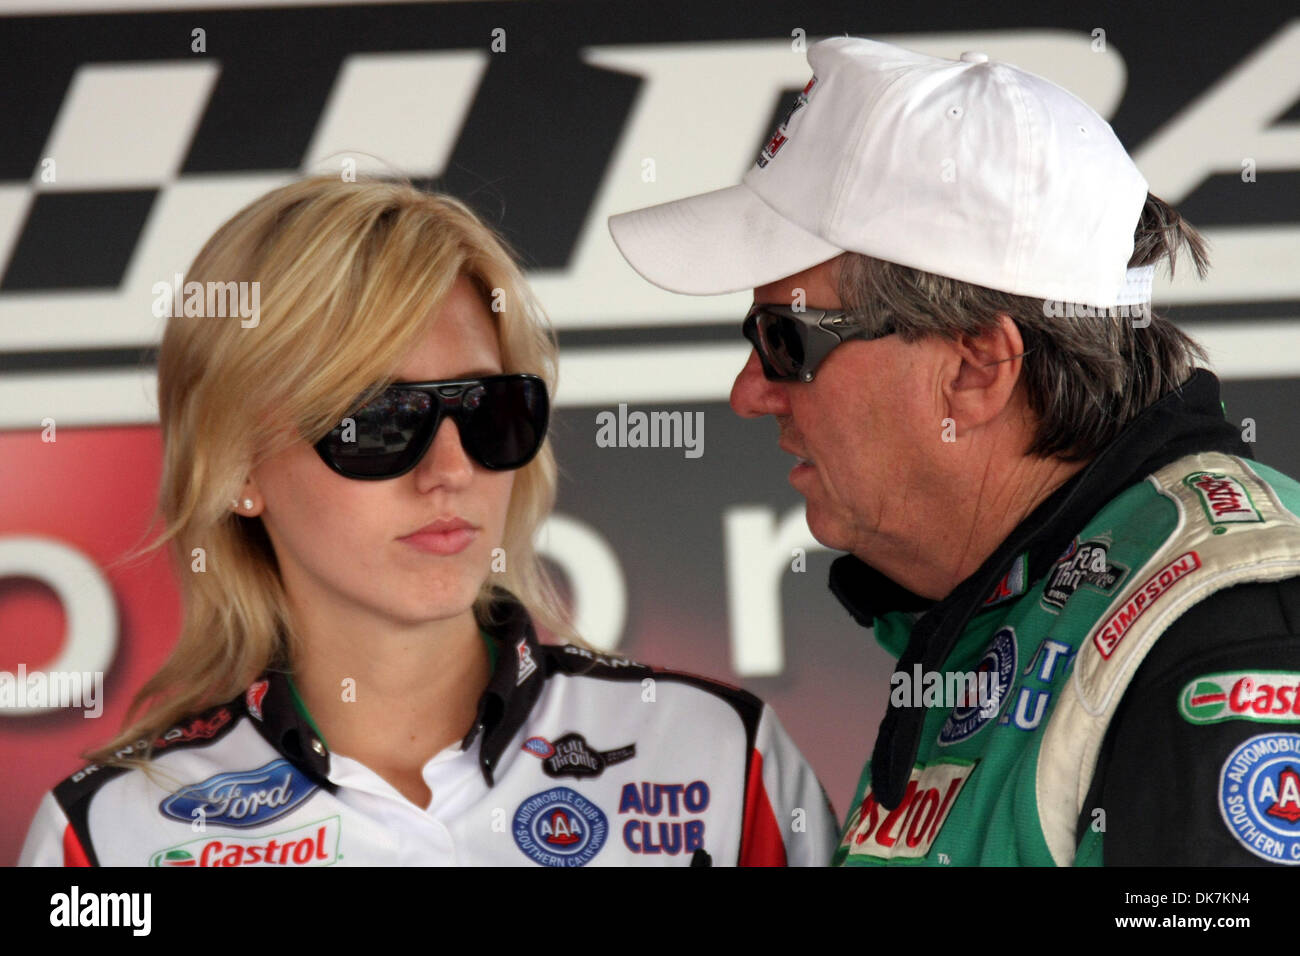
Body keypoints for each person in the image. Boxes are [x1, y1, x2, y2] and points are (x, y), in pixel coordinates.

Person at [607, 36, 1300, 866]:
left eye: (786, 339)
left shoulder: (1234, 638)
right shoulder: (1015, 602)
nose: (749, 391)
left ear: (975, 367)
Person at [19, 173, 836, 867]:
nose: (449, 472)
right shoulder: (104, 839)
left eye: (490, 412)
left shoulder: (723, 757)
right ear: (236, 467)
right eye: (379, 422)